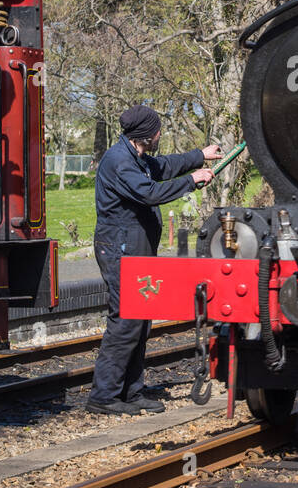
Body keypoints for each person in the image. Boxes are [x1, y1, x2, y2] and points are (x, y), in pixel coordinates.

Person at [86, 105, 223, 415]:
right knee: (126, 320)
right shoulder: (120, 162)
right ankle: (104, 395)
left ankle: (132, 392)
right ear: (147, 134)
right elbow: (149, 192)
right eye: (159, 129)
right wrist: (192, 181)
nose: (161, 134)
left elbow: (162, 166)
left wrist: (200, 155)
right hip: (119, 248)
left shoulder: (136, 157)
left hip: (135, 248)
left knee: (141, 318)